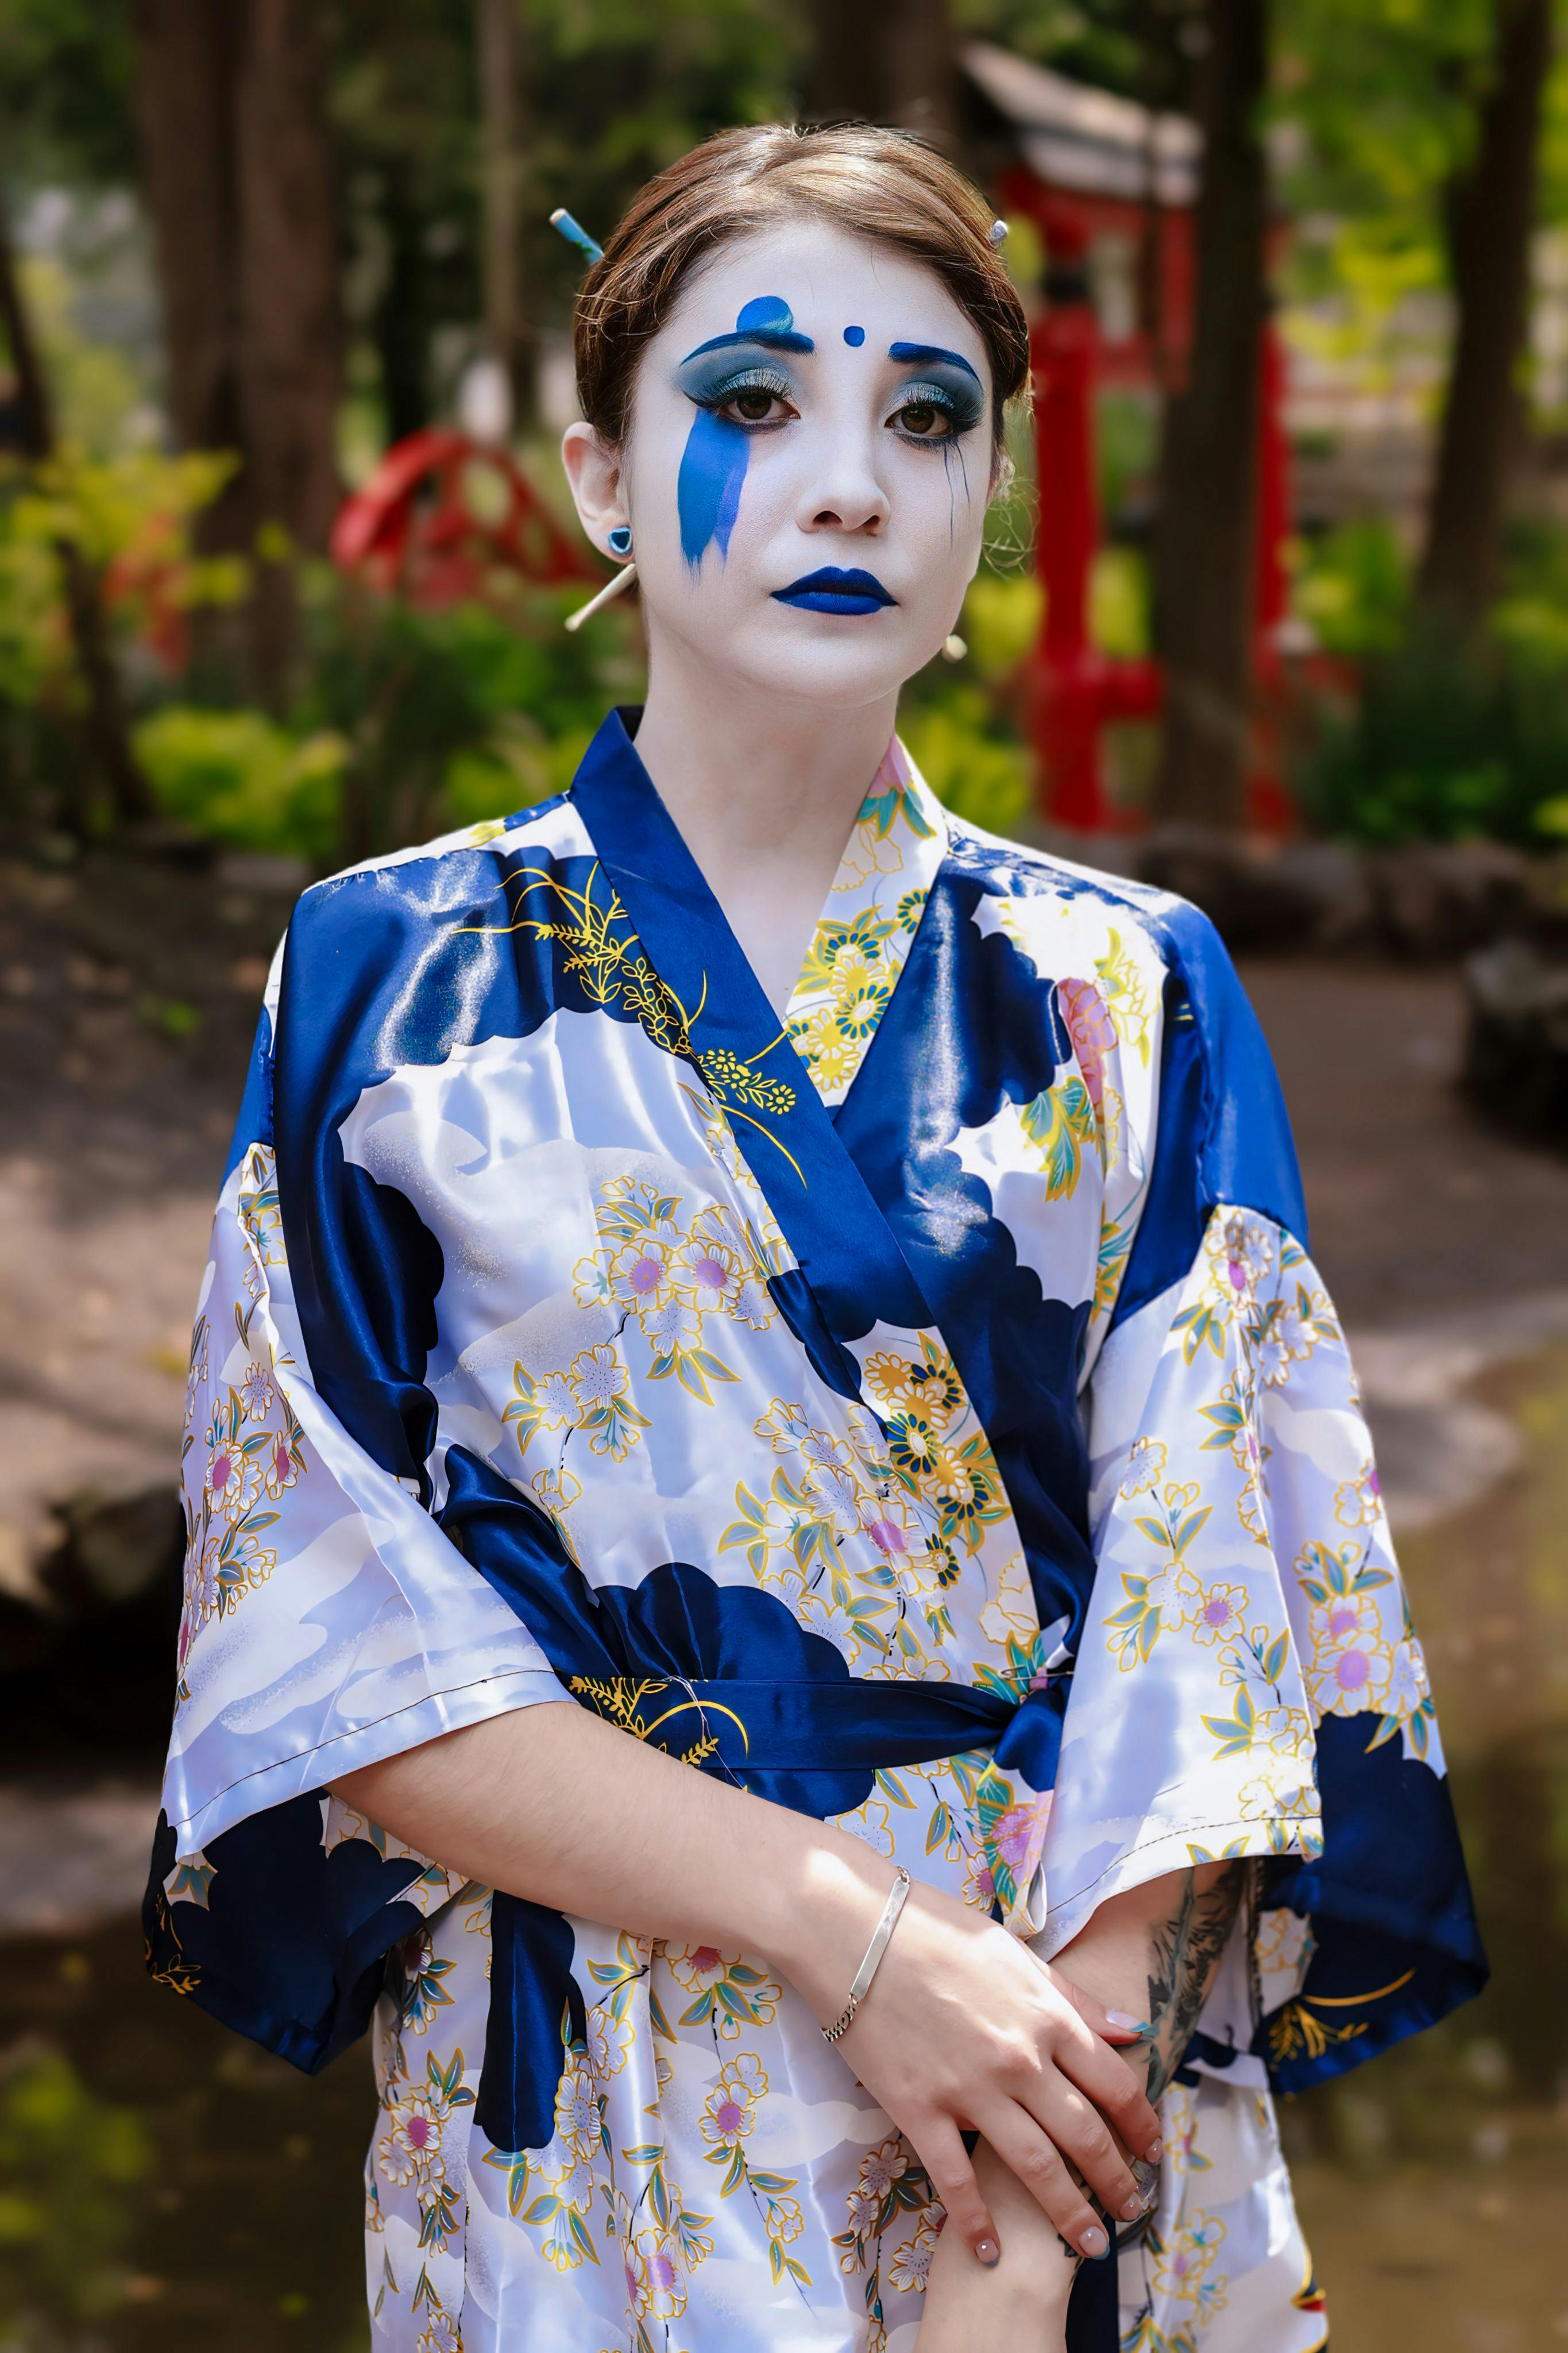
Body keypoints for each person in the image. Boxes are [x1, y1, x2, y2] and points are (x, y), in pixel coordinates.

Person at [145, 124, 1484, 2353]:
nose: (847, 484)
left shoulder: (1123, 988)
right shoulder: (385, 976)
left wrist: (1020, 2246)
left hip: (1062, 2082)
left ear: (988, 495)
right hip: (585, 2106)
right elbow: (318, 1632)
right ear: (598, 475)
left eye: (925, 417)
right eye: (752, 403)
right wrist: (850, 1937)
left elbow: (1217, 1622)